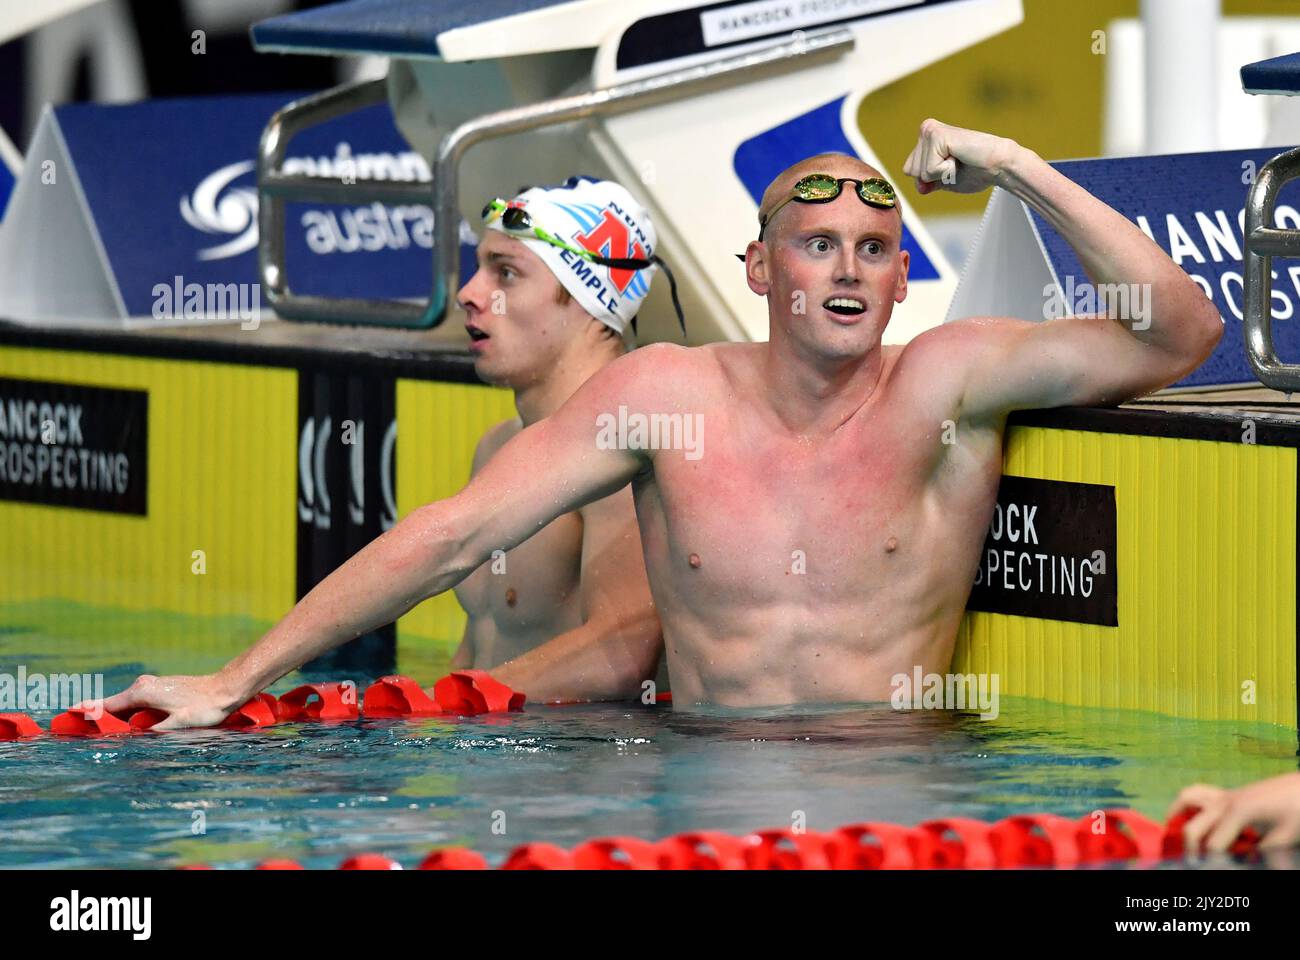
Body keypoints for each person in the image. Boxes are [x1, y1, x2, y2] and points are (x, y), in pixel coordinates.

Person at [99, 118, 1222, 721]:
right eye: (816, 244)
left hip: (896, 802)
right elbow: (455, 532)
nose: (846, 272)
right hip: (695, 798)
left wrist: (1018, 168)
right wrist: (238, 679)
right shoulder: (668, 397)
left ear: (896, 280)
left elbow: (1179, 334)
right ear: (759, 267)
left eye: (874, 251)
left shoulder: (945, 384)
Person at [100, 178, 668, 728]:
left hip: (584, 799)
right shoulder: (499, 447)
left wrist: (425, 705)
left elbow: (620, 652)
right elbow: (479, 643)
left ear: (590, 302)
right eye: (479, 267)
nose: (469, 293)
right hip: (500, 781)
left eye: (507, 274)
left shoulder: (623, 456)